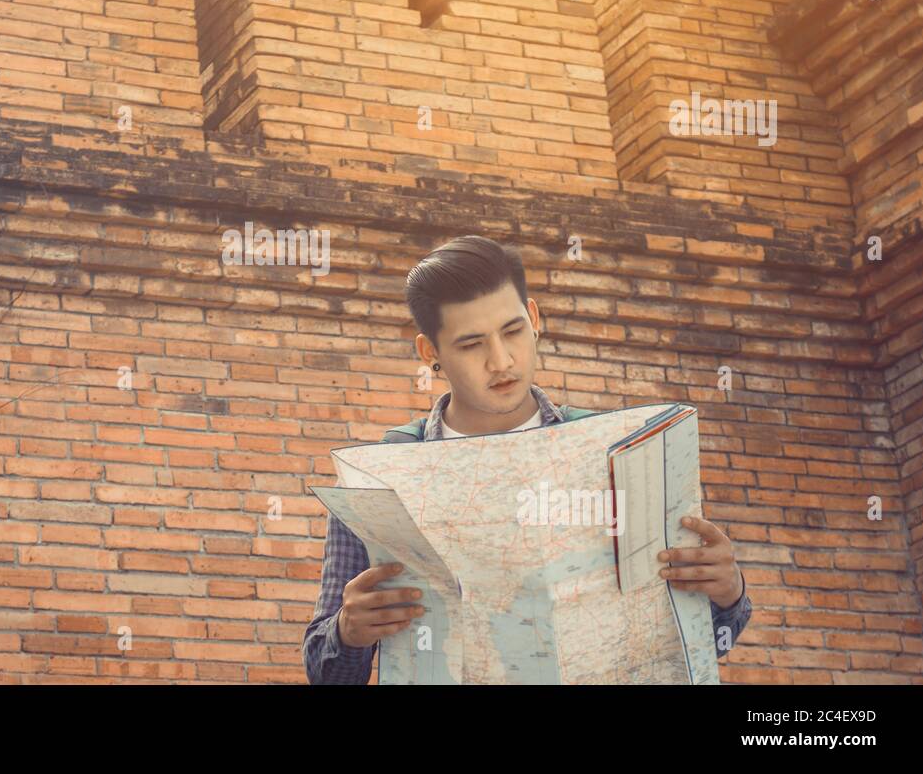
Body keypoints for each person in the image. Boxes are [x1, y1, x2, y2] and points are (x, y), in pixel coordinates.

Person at [302, 235, 752, 684]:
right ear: (430, 353)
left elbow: (699, 646)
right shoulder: (381, 473)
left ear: (534, 318)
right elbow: (325, 673)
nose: (501, 361)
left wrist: (727, 595)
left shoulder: (619, 450)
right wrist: (348, 631)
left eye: (513, 331)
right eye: (472, 343)